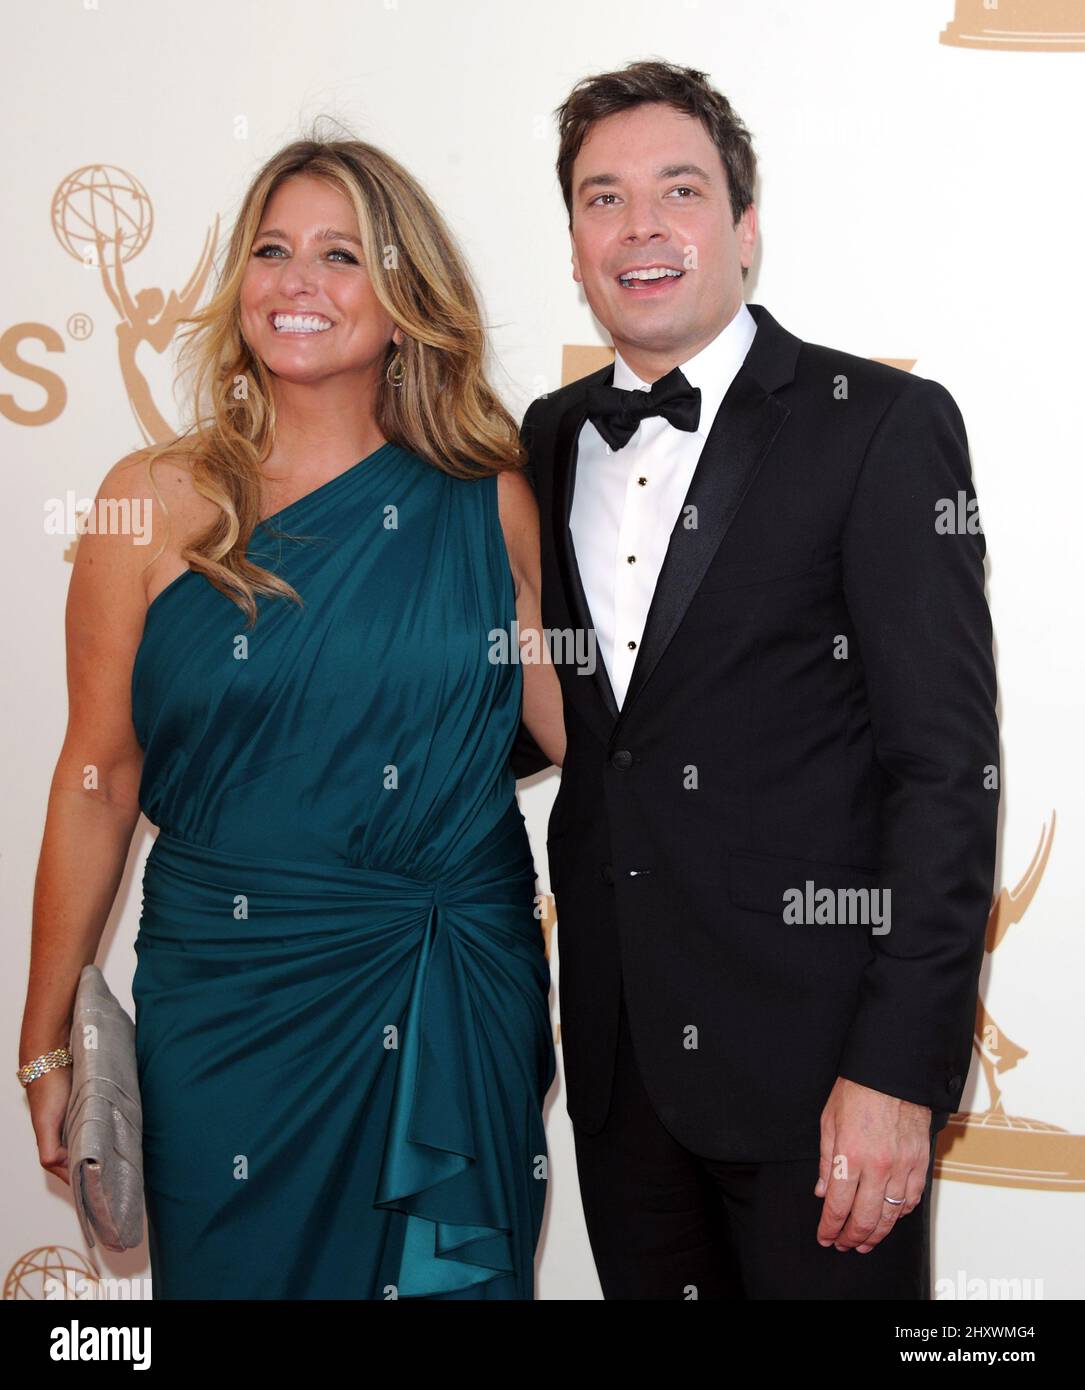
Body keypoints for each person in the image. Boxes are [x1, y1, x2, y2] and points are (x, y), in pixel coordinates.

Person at [19, 135, 565, 1299]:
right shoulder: (150, 502)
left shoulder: (489, 506)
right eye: (271, 250)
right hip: (229, 1001)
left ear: (407, 298)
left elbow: (597, 743)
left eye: (340, 255)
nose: (295, 281)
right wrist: (45, 1037)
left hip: (446, 981)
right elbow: (97, 779)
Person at [513, 59, 999, 1299]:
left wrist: (895, 1072)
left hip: (822, 1074)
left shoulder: (879, 424)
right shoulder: (545, 435)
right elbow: (567, 720)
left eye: (677, 190)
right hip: (622, 1070)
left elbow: (944, 771)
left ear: (743, 226)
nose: (639, 228)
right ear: (572, 242)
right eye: (601, 198)